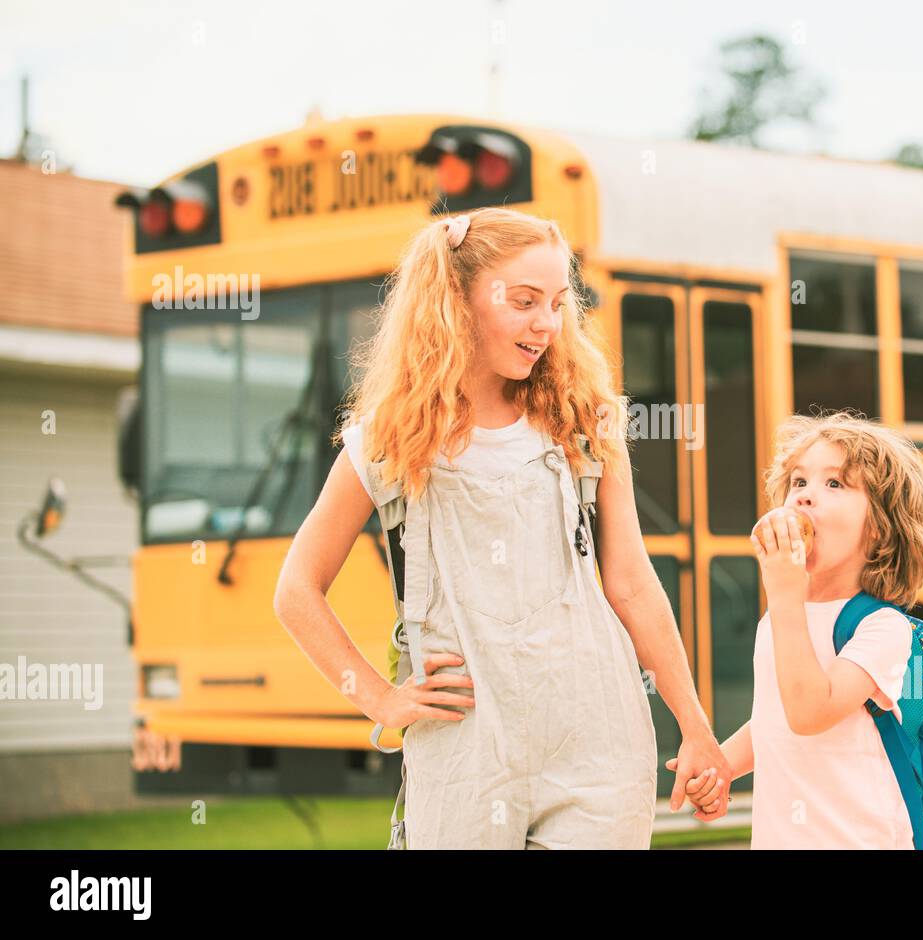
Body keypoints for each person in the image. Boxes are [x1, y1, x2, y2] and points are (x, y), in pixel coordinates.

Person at [273, 207, 730, 848]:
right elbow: (297, 589)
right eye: (523, 301)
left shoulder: (585, 424)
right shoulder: (388, 442)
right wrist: (380, 701)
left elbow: (630, 583)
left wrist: (695, 725)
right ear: (458, 302)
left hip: (596, 740)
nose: (545, 323)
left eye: (557, 303)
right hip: (464, 750)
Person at [681, 410, 923, 848]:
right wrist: (720, 766)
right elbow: (775, 719)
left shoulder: (881, 627)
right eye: (798, 482)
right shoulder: (782, 617)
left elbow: (809, 713)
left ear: (879, 530)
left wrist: (784, 596)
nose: (804, 497)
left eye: (834, 484)